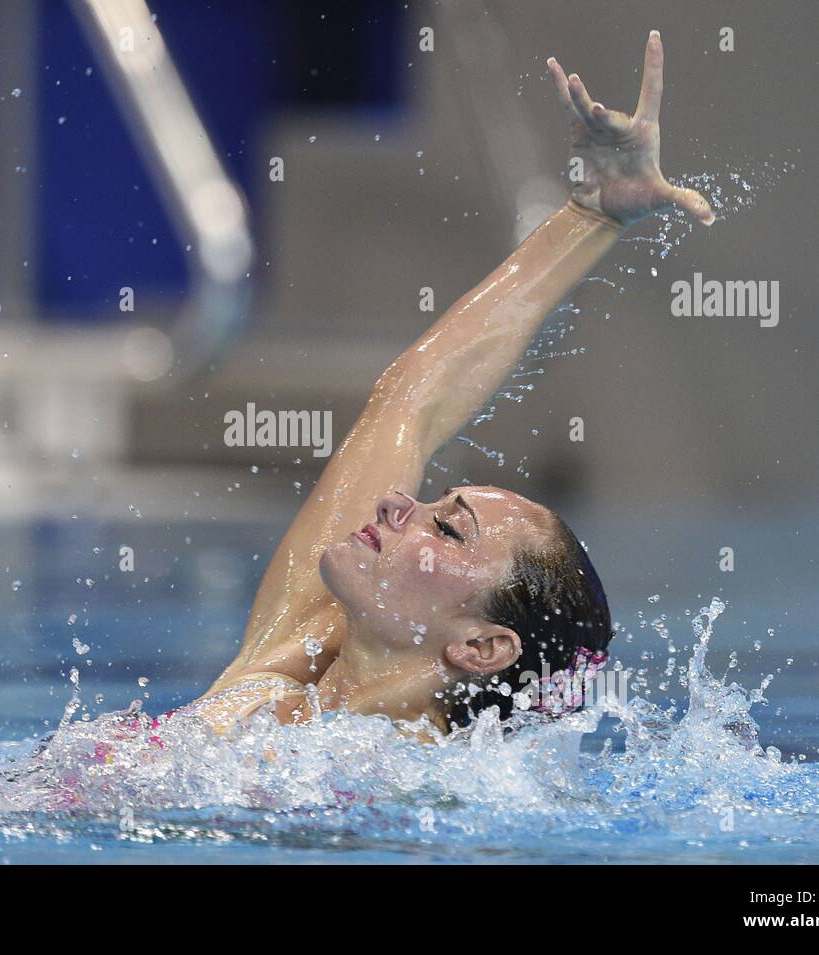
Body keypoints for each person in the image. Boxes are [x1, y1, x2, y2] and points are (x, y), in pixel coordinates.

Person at [189, 32, 714, 735]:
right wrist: (590, 215)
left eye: (447, 526)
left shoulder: (421, 799)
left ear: (482, 647)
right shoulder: (291, 656)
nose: (401, 500)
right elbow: (414, 396)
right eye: (437, 501)